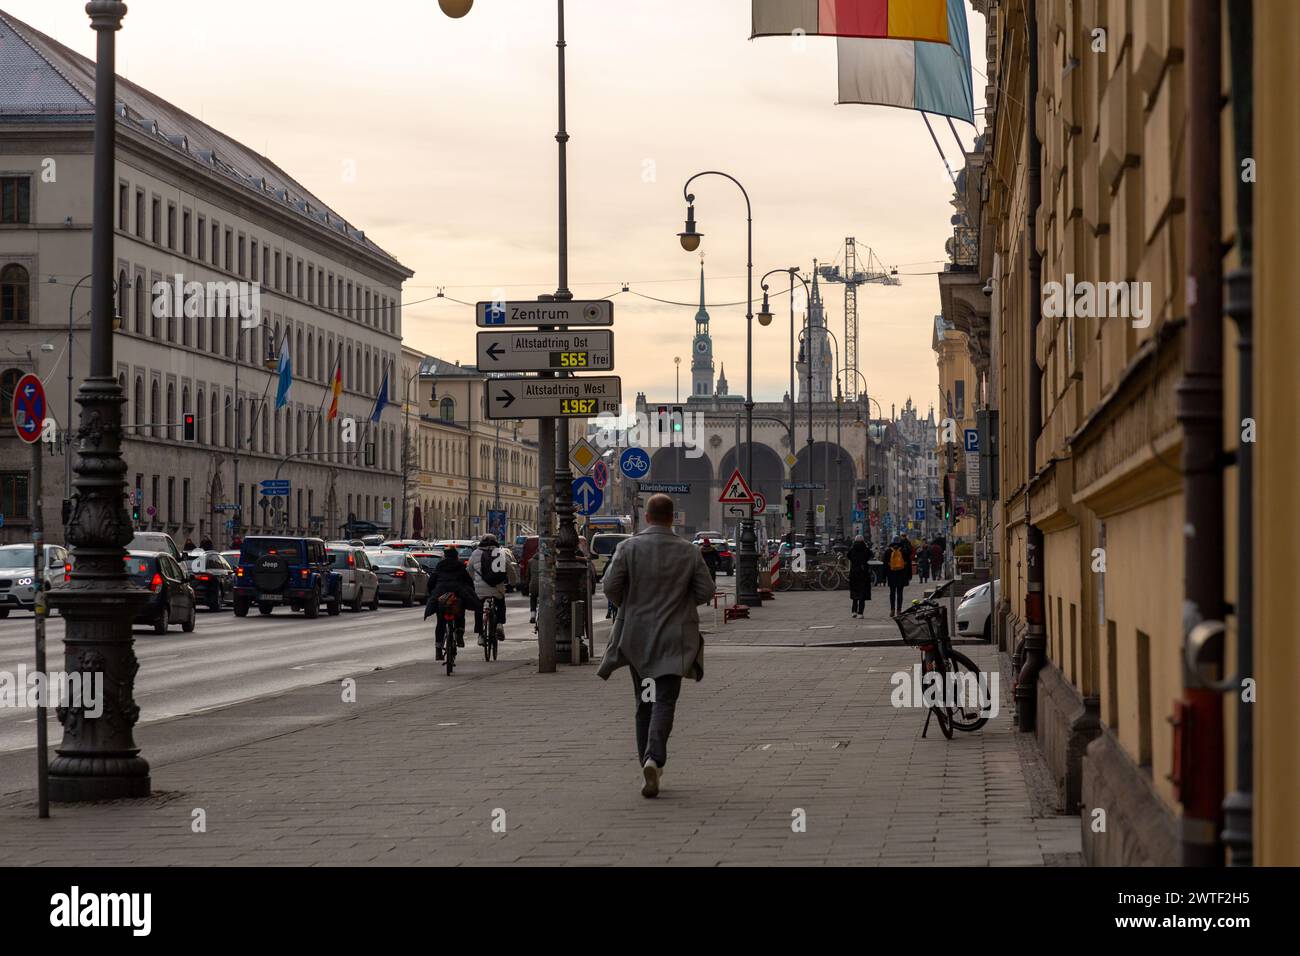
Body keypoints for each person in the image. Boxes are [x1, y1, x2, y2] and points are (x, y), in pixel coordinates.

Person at [597, 493, 715, 798]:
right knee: (664, 700)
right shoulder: (687, 551)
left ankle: (646, 763)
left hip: (638, 638)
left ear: (647, 517)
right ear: (672, 517)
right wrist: (681, 602)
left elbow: (610, 587)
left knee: (645, 701)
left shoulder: (628, 547)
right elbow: (705, 590)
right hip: (675, 638)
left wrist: (631, 604)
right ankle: (654, 758)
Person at [424, 546, 478, 661]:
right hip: (457, 593)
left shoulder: (440, 565)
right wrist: (471, 592)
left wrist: (432, 593)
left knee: (440, 622)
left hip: (441, 594)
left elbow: (431, 582)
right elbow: (468, 581)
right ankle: (459, 634)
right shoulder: (460, 566)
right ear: (456, 556)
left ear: (445, 556)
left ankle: (438, 650)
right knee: (460, 611)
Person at [469, 534, 518, 645]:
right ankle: (500, 624)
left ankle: (480, 635)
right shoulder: (501, 553)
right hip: (497, 588)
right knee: (500, 603)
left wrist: (474, 580)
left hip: (480, 590)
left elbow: (469, 570)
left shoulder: (475, 553)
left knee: (478, 608)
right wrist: (512, 584)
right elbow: (510, 570)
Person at [847, 535, 873, 617]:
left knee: (855, 592)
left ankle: (853, 611)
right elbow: (871, 555)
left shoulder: (852, 549)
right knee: (862, 593)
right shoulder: (865, 549)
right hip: (863, 573)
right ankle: (860, 613)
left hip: (854, 573)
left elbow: (848, 556)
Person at [885, 534, 909, 617]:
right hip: (901, 575)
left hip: (891, 575)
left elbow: (885, 565)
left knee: (892, 593)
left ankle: (892, 610)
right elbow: (907, 564)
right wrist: (908, 576)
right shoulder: (904, 551)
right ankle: (899, 610)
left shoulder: (888, 551)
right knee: (900, 593)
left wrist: (885, 576)